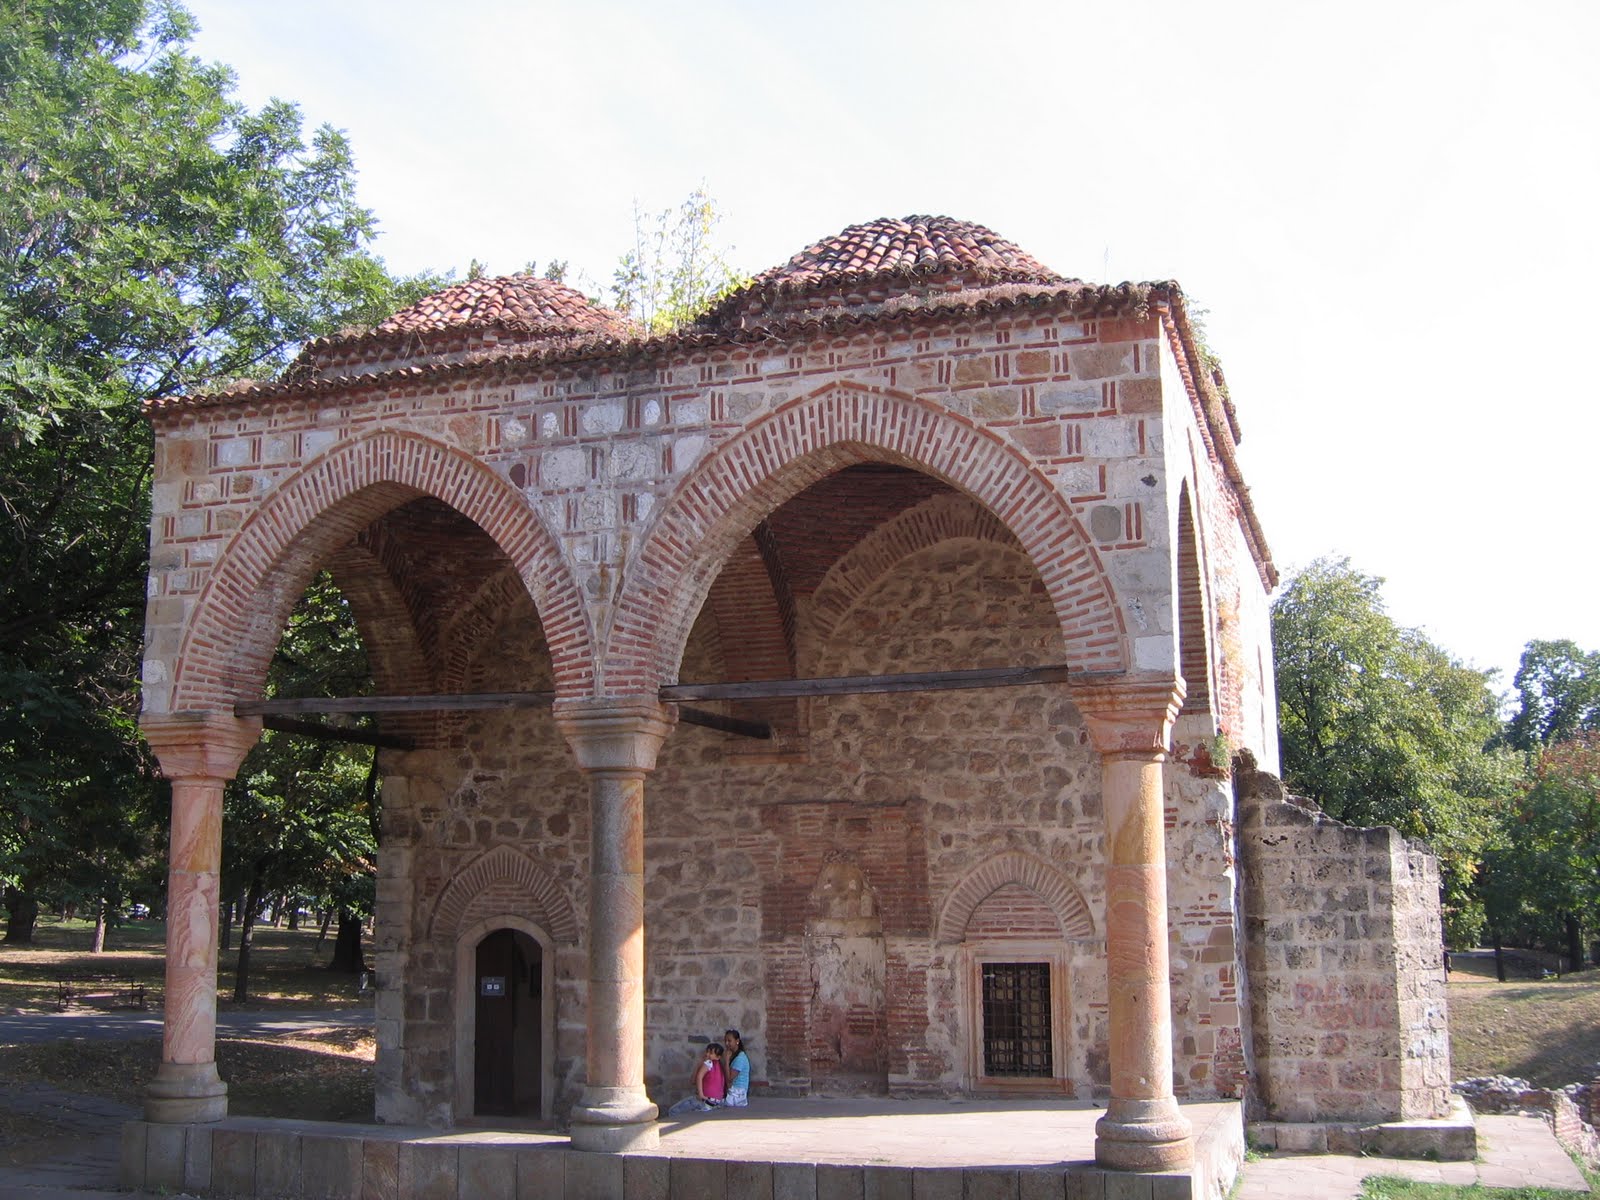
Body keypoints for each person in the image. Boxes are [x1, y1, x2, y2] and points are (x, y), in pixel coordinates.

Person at [666, 1042, 726, 1116]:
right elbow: (693, 1081)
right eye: (707, 1052)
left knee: (673, 1111)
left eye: (711, 1053)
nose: (707, 1054)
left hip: (705, 1100)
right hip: (717, 1101)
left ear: (718, 1057)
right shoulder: (720, 1067)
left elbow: (698, 1077)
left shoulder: (708, 1063)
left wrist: (701, 1094)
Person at [722, 1029, 751, 1108]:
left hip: (738, 1092)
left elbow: (729, 1078)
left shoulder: (740, 1058)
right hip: (733, 1090)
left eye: (729, 1041)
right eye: (725, 1041)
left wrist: (727, 1061)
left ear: (737, 1041)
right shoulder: (733, 1055)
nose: (726, 1043)